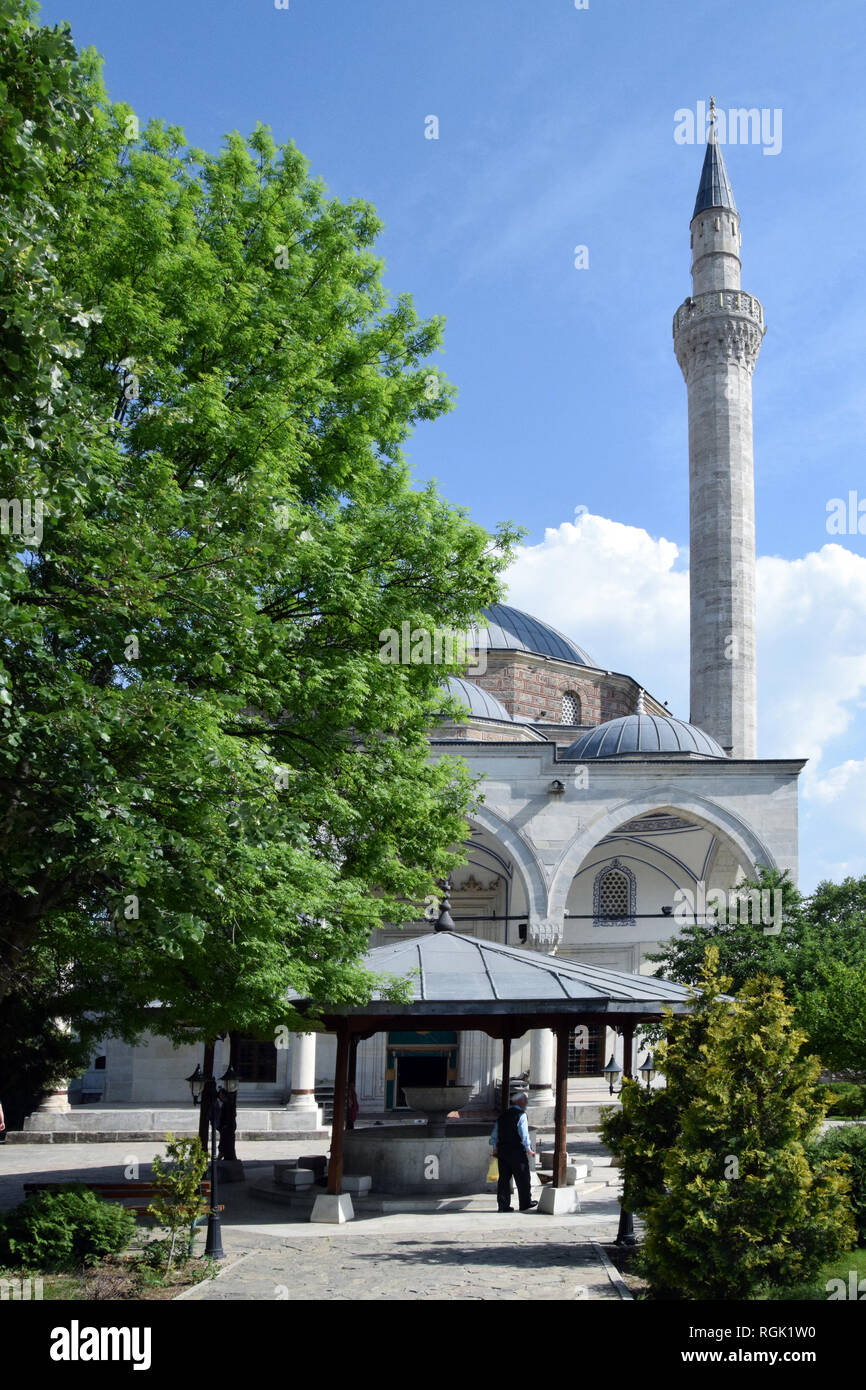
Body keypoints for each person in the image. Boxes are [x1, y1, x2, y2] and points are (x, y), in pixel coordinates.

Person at [489, 1091, 537, 1212]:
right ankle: (525, 1203)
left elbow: (494, 1134)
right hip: (516, 1151)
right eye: (525, 1101)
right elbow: (524, 1134)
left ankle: (503, 1205)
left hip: (503, 1151)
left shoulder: (502, 1115)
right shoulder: (521, 1115)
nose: (526, 1103)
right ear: (520, 1102)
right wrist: (528, 1149)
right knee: (523, 1177)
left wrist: (495, 1148)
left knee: (504, 1179)